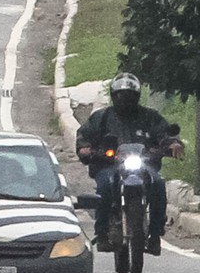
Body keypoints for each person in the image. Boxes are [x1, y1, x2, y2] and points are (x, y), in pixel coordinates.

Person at [76, 73, 184, 256]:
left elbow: (164, 133)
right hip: (110, 165)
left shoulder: (150, 116)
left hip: (143, 165)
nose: (124, 99)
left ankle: (156, 233)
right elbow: (85, 135)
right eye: (120, 95)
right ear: (113, 95)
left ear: (137, 96)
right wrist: (85, 148)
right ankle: (101, 233)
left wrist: (171, 143)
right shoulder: (102, 117)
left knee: (157, 184)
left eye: (129, 95)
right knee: (104, 186)